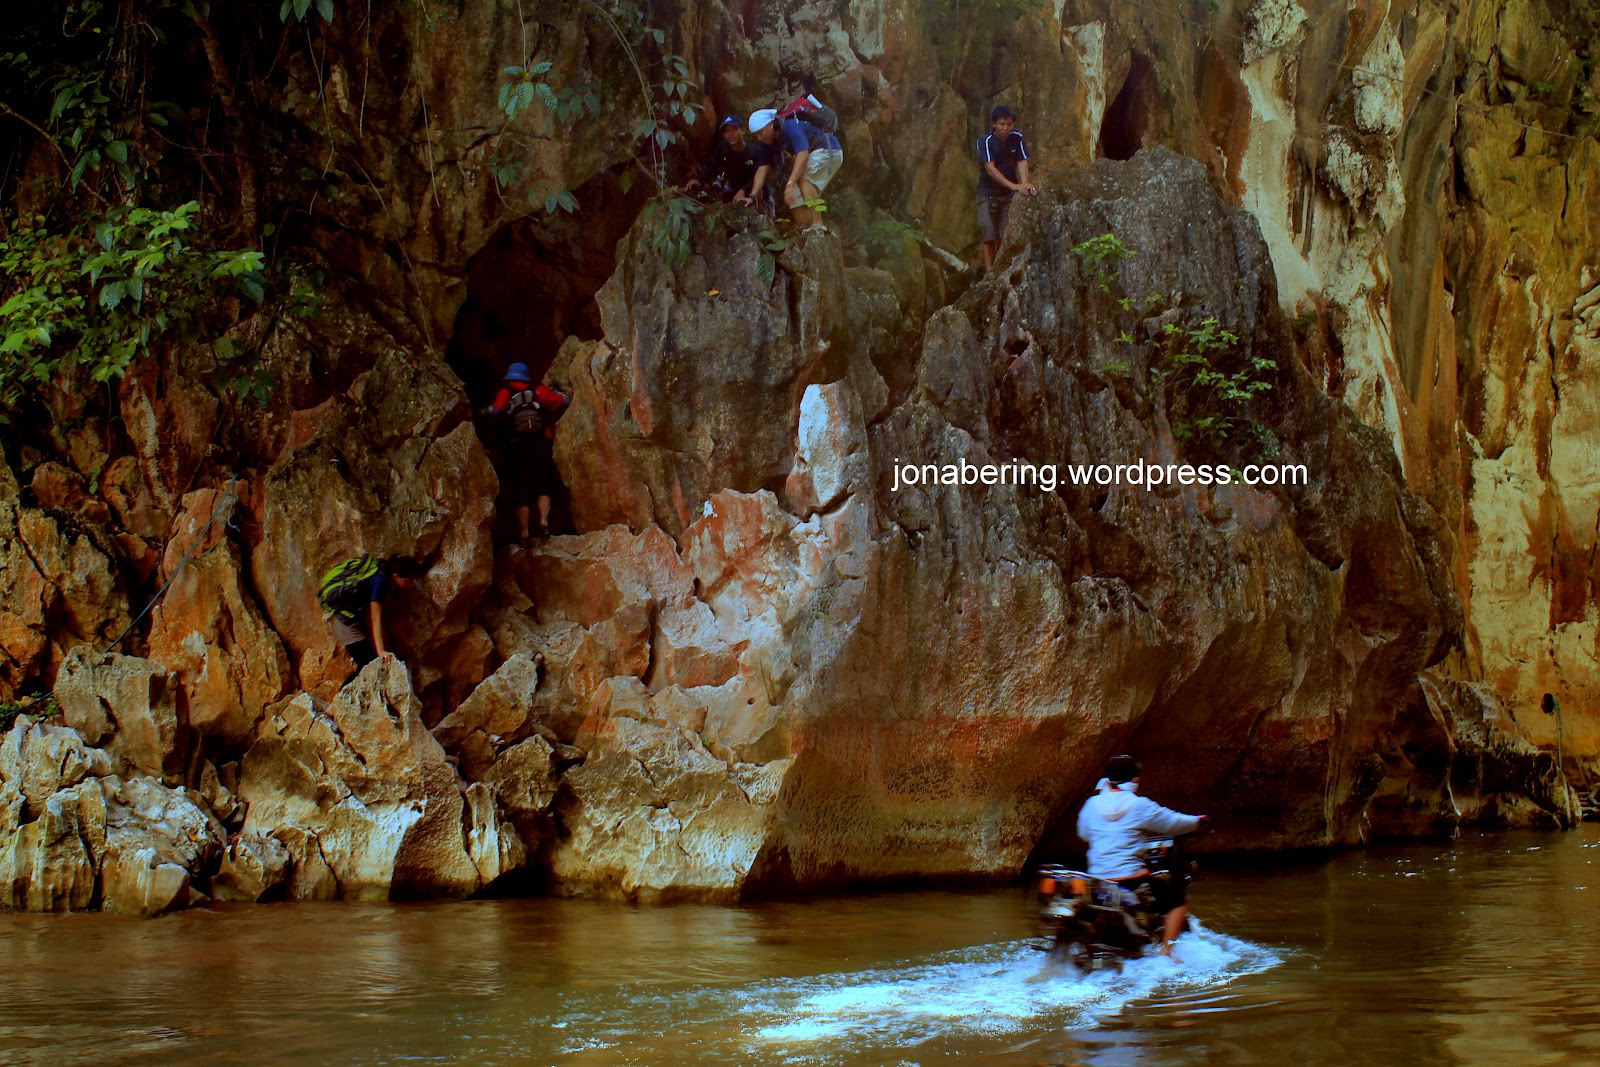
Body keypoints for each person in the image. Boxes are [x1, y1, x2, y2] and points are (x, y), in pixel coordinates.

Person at [1076, 754, 1207, 955]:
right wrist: (1197, 822)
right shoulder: (1139, 805)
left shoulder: (1091, 804)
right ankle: (1166, 951)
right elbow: (1172, 822)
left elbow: (1083, 833)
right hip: (1130, 879)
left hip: (1097, 880)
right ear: (1135, 778)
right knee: (1177, 900)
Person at [483, 361, 570, 546]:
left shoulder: (505, 392)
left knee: (521, 491)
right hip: (541, 445)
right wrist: (559, 393)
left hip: (518, 447)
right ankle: (544, 524)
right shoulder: (538, 390)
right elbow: (563, 401)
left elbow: (495, 411)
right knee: (545, 485)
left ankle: (524, 533)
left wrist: (486, 413)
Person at [321, 555, 425, 675]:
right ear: (395, 576)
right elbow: (375, 618)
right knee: (368, 665)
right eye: (408, 581)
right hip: (345, 623)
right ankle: (344, 693)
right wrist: (381, 651)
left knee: (369, 664)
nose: (410, 585)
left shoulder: (381, 571)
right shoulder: (380, 583)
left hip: (350, 619)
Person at [749, 106, 842, 232]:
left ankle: (818, 224)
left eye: (760, 133)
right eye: (756, 135)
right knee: (795, 201)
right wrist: (752, 196)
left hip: (827, 150)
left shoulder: (790, 127)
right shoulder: (767, 143)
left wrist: (790, 183)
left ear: (770, 125)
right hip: (816, 154)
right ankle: (811, 233)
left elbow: (803, 155)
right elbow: (762, 170)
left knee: (803, 178)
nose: (759, 138)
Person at [975, 104, 1037, 271]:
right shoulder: (985, 142)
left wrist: (1024, 184)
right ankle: (989, 272)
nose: (1005, 128)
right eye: (1002, 124)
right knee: (988, 233)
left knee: (1005, 234)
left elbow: (1022, 160)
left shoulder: (1016, 137)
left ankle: (1000, 269)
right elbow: (990, 168)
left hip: (1008, 195)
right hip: (987, 194)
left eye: (1009, 124)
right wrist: (1015, 186)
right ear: (995, 124)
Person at [684, 115, 771, 207]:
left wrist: (744, 191)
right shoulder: (723, 149)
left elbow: (758, 176)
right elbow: (711, 165)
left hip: (755, 192)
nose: (730, 134)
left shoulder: (755, 151)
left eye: (734, 129)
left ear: (743, 130)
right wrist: (699, 180)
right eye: (726, 131)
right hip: (733, 190)